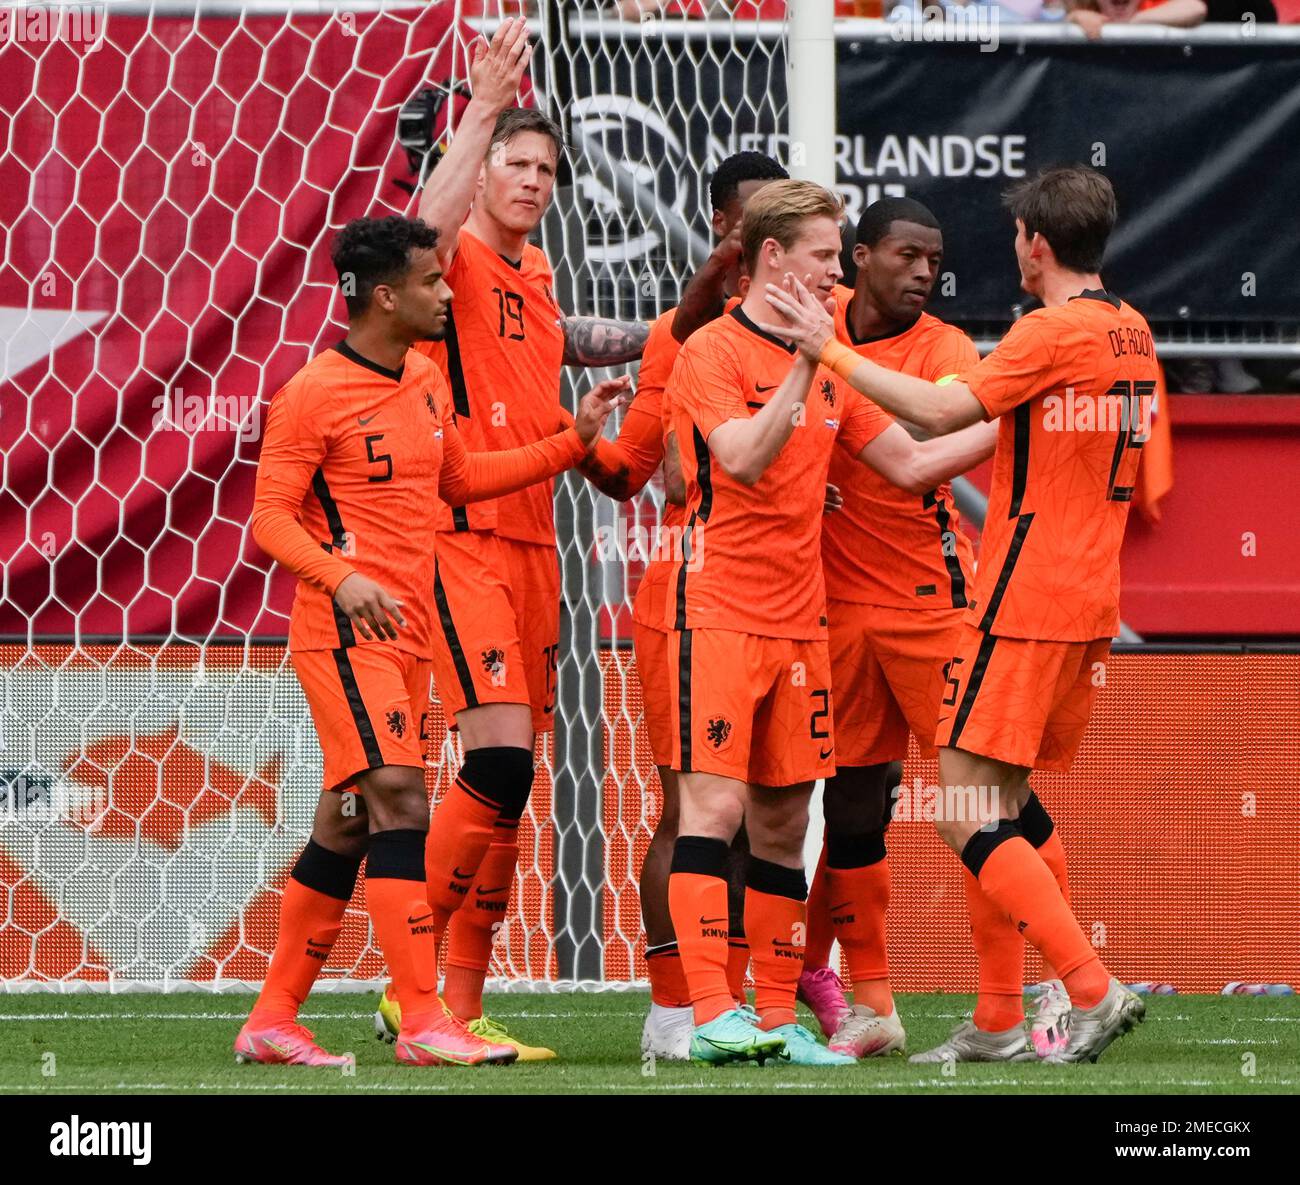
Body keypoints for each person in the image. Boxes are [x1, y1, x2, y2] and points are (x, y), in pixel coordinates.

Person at [761, 165, 1154, 1063]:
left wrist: (824, 350)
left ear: (1036, 245)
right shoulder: (1130, 329)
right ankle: (997, 1019)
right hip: (1087, 596)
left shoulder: (1045, 331)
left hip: (1019, 596)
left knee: (961, 805)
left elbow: (941, 414)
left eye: (1014, 236)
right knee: (1001, 801)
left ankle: (1088, 986)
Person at [234, 215, 624, 1067]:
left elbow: (462, 479)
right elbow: (269, 518)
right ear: (386, 295)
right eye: (432, 281)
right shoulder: (312, 393)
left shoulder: (420, 378)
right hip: (342, 634)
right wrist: (342, 575)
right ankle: (422, 1017)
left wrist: (573, 441)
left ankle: (272, 1018)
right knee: (401, 802)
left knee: (343, 821)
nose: (448, 294)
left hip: (407, 636)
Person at [664, 180, 998, 1066]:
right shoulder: (713, 352)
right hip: (719, 611)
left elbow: (913, 461)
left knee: (782, 821)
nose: (831, 273)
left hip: (802, 620)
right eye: (822, 254)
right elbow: (738, 458)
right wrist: (812, 361)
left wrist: (1013, 418)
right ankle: (707, 1014)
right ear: (772, 256)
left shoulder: (833, 361)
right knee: (715, 804)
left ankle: (775, 1019)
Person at [370, 18, 649, 1061]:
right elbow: (418, 240)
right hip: (463, 534)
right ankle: (410, 990)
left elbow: (564, 350)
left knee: (512, 786)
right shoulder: (460, 263)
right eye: (514, 164)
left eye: (545, 168)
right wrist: (483, 102)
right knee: (495, 761)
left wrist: (663, 346)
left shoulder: (533, 279)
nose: (532, 181)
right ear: (480, 170)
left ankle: (462, 998)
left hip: (538, 541)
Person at [577, 150, 791, 1061]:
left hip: (788, 601)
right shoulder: (685, 338)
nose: (769, 263)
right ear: (721, 234)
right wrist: (583, 444)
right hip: (693, 591)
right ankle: (674, 1005)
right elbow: (628, 471)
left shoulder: (816, 337)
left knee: (769, 812)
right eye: (752, 239)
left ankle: (742, 999)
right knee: (692, 806)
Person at [794, 197, 1004, 1060]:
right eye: (909, 255)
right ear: (860, 254)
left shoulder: (947, 349)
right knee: (850, 803)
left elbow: (938, 429)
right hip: (835, 607)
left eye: (936, 258)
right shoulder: (806, 323)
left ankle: (1012, 999)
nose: (926, 271)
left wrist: (846, 418)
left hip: (934, 601)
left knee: (975, 801)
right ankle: (869, 1001)